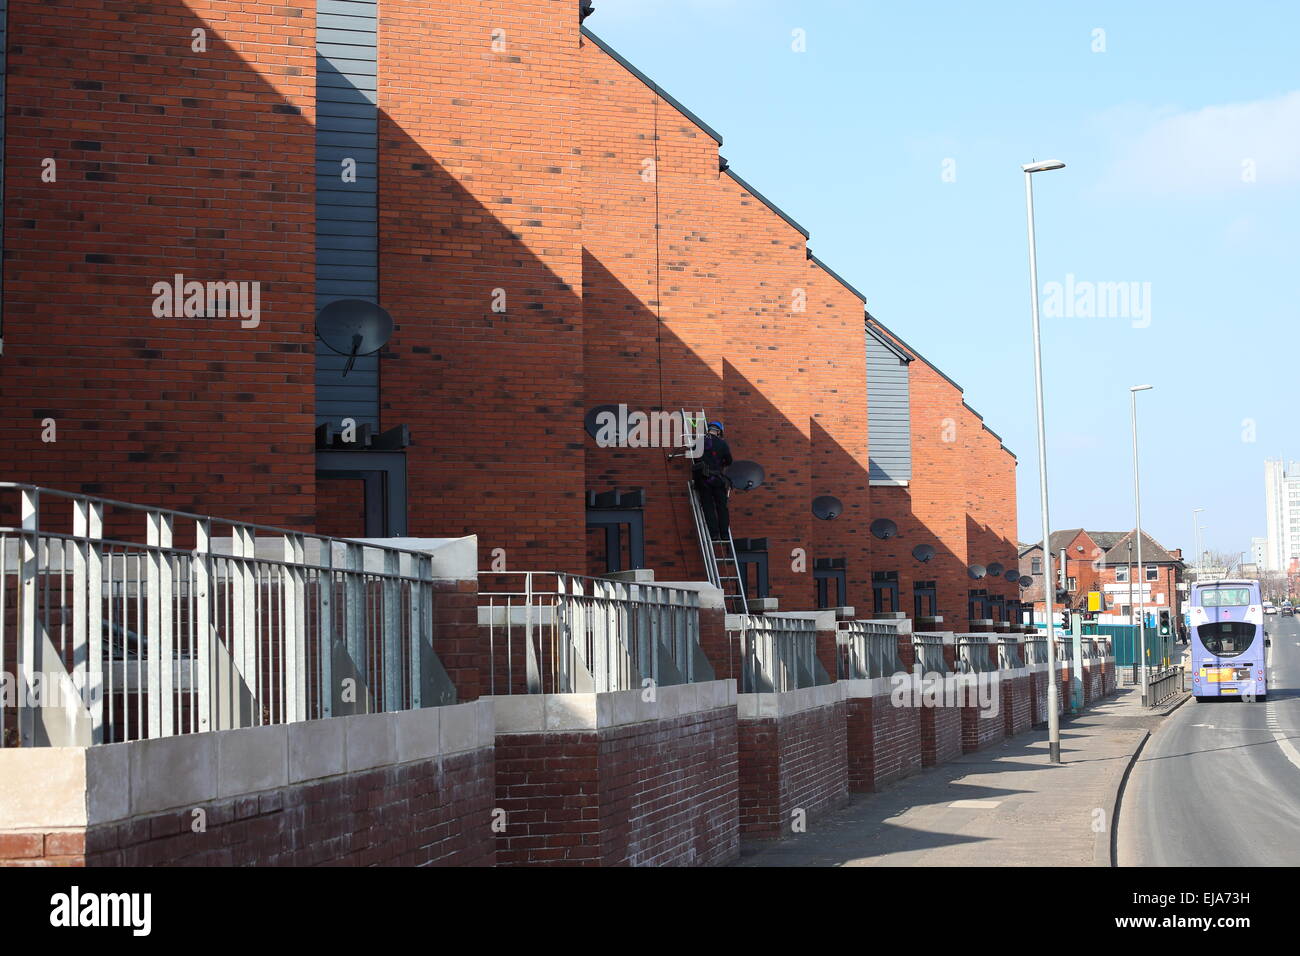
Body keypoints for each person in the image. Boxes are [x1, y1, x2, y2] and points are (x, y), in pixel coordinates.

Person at [692, 420, 733, 540]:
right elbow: (729, 461)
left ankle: (714, 534)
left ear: (708, 429)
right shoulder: (722, 444)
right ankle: (724, 534)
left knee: (708, 506)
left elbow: (694, 457)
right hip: (718, 480)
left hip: (703, 480)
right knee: (722, 507)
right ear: (719, 431)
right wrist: (720, 464)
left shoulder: (699, 441)